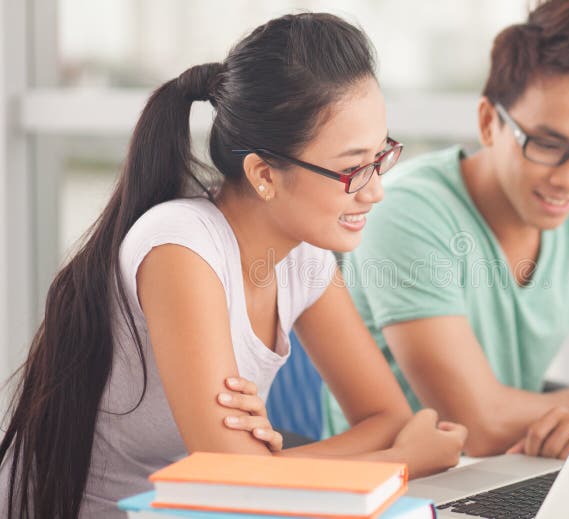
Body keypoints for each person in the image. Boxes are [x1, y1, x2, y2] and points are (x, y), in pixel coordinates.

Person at [0, 13, 466, 519]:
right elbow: (231, 480)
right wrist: (402, 462)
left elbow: (385, 417)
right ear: (264, 174)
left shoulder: (305, 257)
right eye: (352, 168)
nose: (375, 190)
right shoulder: (180, 248)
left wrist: (272, 466)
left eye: (380, 157)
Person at [321, 0, 569, 459]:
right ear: (489, 123)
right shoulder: (407, 211)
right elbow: (480, 425)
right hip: (410, 484)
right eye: (547, 145)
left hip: (512, 470)